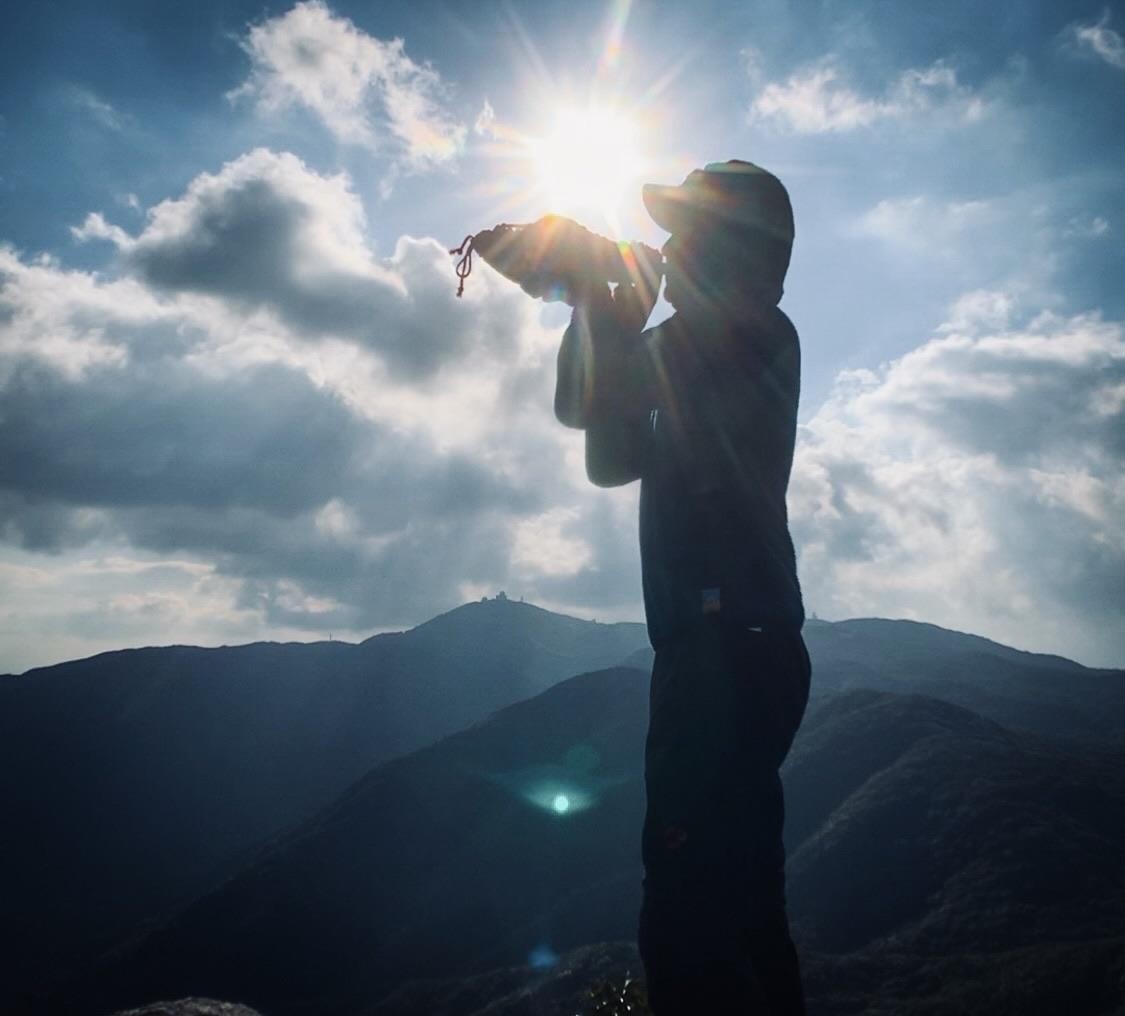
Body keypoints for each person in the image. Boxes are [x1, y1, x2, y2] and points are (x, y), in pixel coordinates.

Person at [553, 161, 811, 1014]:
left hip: (730, 646)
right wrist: (597, 310)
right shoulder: (678, 341)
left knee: (690, 906)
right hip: (711, 648)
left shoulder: (758, 335)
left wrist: (610, 296)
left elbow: (645, 399)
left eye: (684, 231)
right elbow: (602, 452)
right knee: (733, 901)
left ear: (737, 250)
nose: (666, 246)